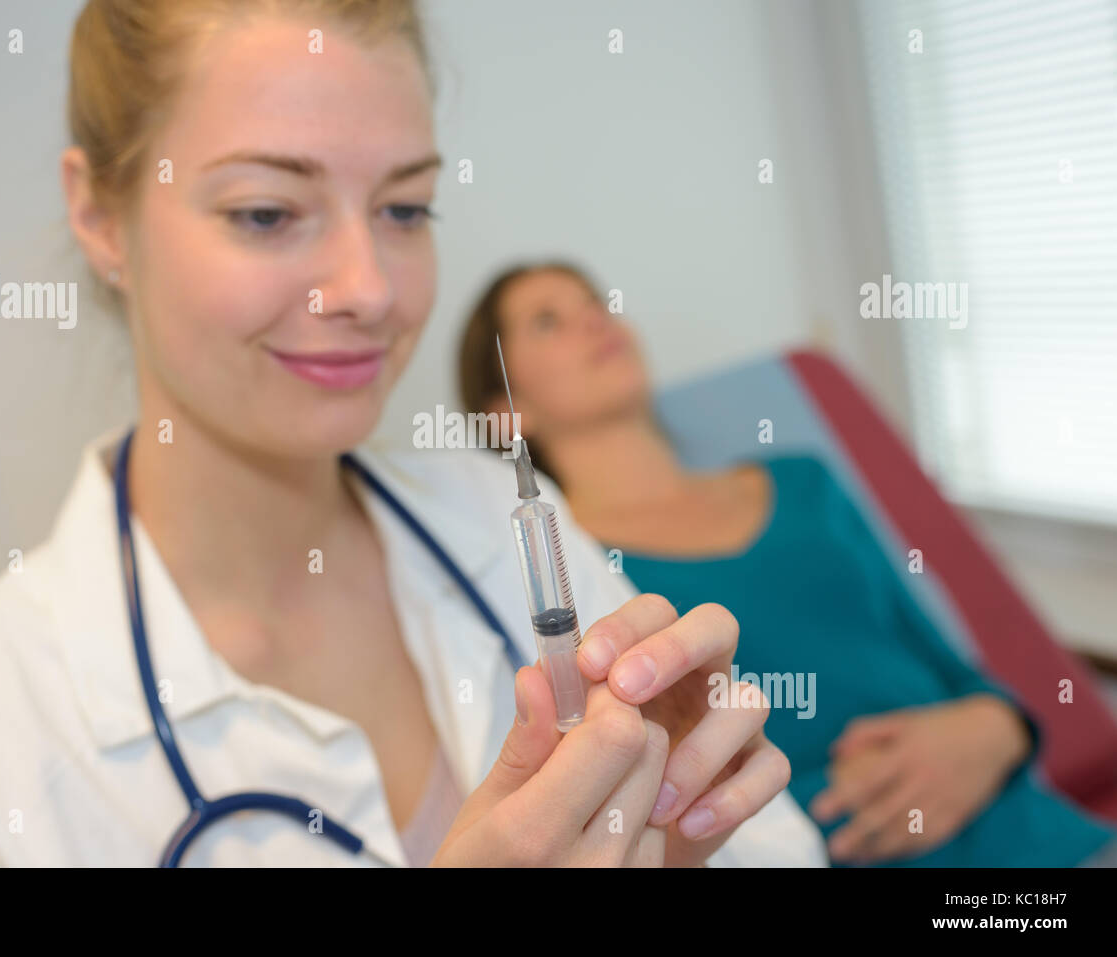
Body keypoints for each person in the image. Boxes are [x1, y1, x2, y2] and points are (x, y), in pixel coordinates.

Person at [0, 0, 827, 867]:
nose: (370, 289)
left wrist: (691, 838)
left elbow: (783, 850)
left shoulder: (498, 516)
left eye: (404, 207)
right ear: (98, 214)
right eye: (266, 212)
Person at [455, 259, 1117, 867]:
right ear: (508, 412)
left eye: (595, 300)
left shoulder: (805, 482)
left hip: (1043, 836)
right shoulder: (569, 577)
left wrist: (996, 729)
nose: (596, 318)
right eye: (549, 321)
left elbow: (950, 662)